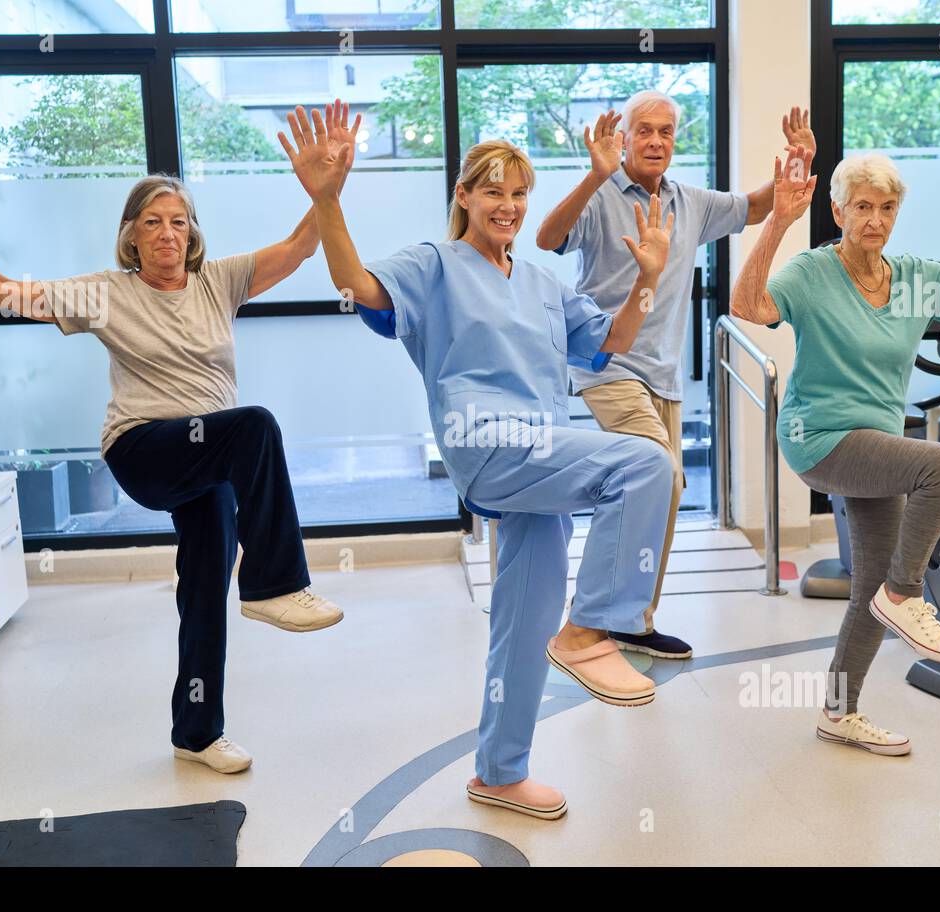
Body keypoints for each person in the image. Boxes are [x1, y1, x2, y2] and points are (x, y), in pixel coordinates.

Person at [0, 101, 366, 774]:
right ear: (131, 237)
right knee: (257, 426)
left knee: (203, 585)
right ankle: (275, 582)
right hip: (145, 448)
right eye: (152, 222)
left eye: (178, 221)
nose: (167, 232)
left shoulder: (220, 280)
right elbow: (10, 294)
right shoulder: (109, 292)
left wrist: (329, 189)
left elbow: (303, 247)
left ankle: (197, 730)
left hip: (206, 460)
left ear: (192, 235)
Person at [278, 105, 675, 820]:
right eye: (493, 190)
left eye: (519, 193)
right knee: (646, 463)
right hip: (489, 443)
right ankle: (593, 630)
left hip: (543, 457)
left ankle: (498, 771)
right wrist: (327, 200)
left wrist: (648, 279)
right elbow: (358, 289)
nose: (510, 206)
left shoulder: (544, 282)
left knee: (523, 619)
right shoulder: (433, 265)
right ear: (463, 195)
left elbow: (608, 345)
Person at [731, 140, 940, 755]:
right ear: (838, 213)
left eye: (886, 207)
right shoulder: (813, 274)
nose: (875, 220)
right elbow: (748, 304)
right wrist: (780, 218)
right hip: (819, 437)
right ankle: (907, 594)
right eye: (862, 207)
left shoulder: (914, 280)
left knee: (867, 590)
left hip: (876, 444)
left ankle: (840, 711)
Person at [536, 94, 815, 658]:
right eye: (644, 131)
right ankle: (598, 615)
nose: (656, 141)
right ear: (627, 137)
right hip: (606, 364)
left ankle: (632, 618)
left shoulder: (690, 202)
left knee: (661, 487)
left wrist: (797, 163)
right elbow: (546, 238)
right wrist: (595, 176)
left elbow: (759, 206)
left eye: (665, 131)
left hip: (661, 376)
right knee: (658, 473)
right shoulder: (603, 193)